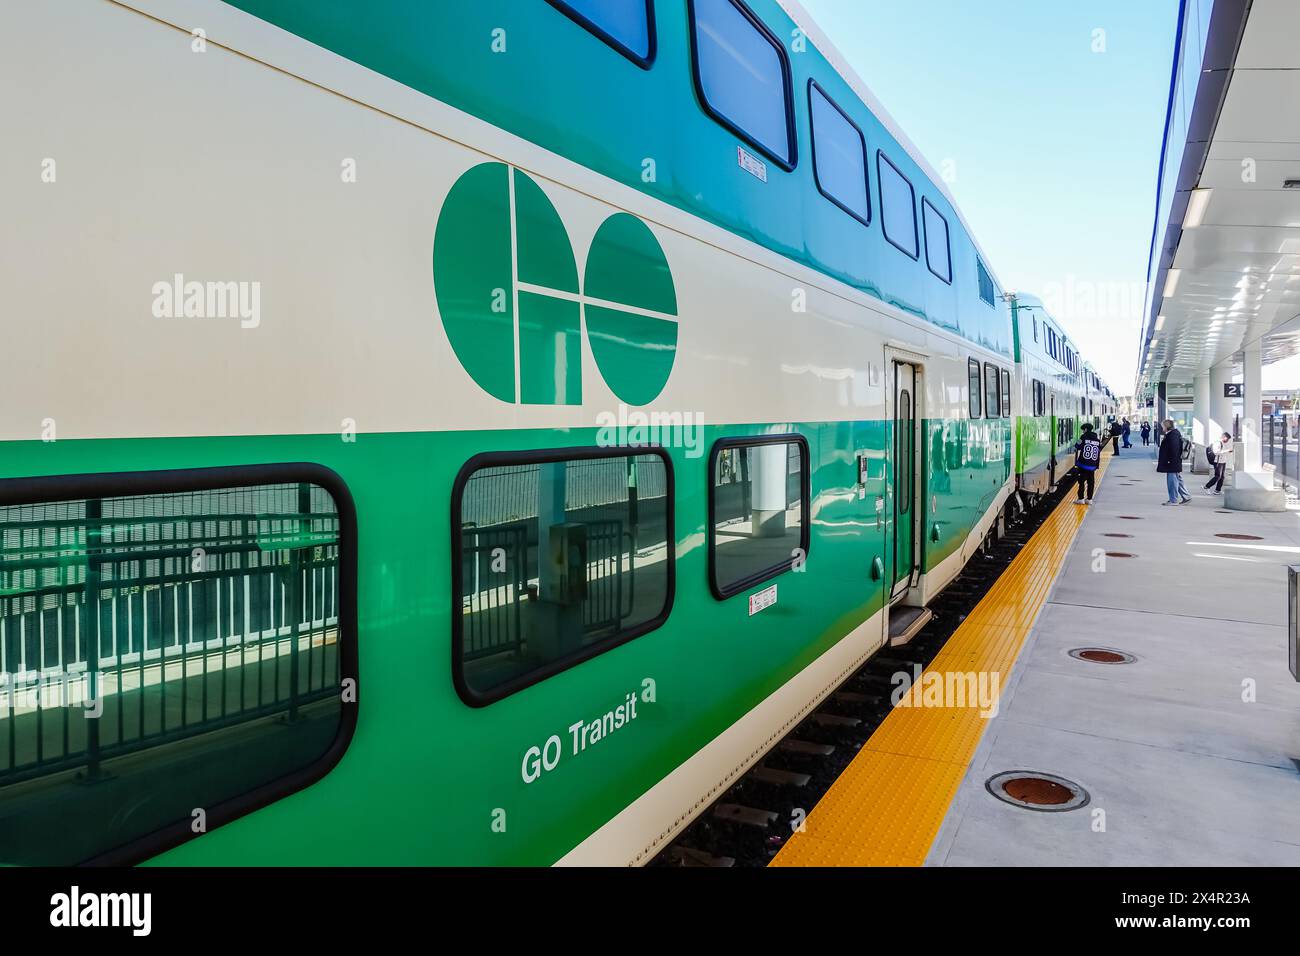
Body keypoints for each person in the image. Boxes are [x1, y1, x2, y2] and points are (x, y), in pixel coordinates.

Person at [1157, 418, 1191, 505]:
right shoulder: (1173, 434)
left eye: (1163, 426)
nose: (1162, 428)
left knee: (1172, 481)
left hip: (1172, 462)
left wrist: (1169, 460)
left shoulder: (1172, 436)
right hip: (1174, 462)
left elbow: (1174, 449)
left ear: (1167, 426)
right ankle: (1186, 496)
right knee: (1177, 479)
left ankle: (1173, 500)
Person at [1073, 423, 1103, 505]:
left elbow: (1077, 446)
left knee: (1081, 482)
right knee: (1091, 482)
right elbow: (1099, 450)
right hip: (1092, 465)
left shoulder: (1083, 437)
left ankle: (1081, 499)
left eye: (1083, 430)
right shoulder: (1097, 440)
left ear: (1085, 429)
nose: (1083, 431)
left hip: (1083, 464)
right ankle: (1089, 499)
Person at [1203, 431, 1232, 496]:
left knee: (1222, 477)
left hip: (1222, 461)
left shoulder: (1222, 443)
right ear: (1224, 437)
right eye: (1227, 439)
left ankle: (1217, 490)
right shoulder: (1217, 443)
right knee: (1217, 476)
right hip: (1218, 462)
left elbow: (1221, 452)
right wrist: (1227, 451)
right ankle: (1207, 486)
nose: (1227, 440)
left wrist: (1227, 452)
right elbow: (1216, 452)